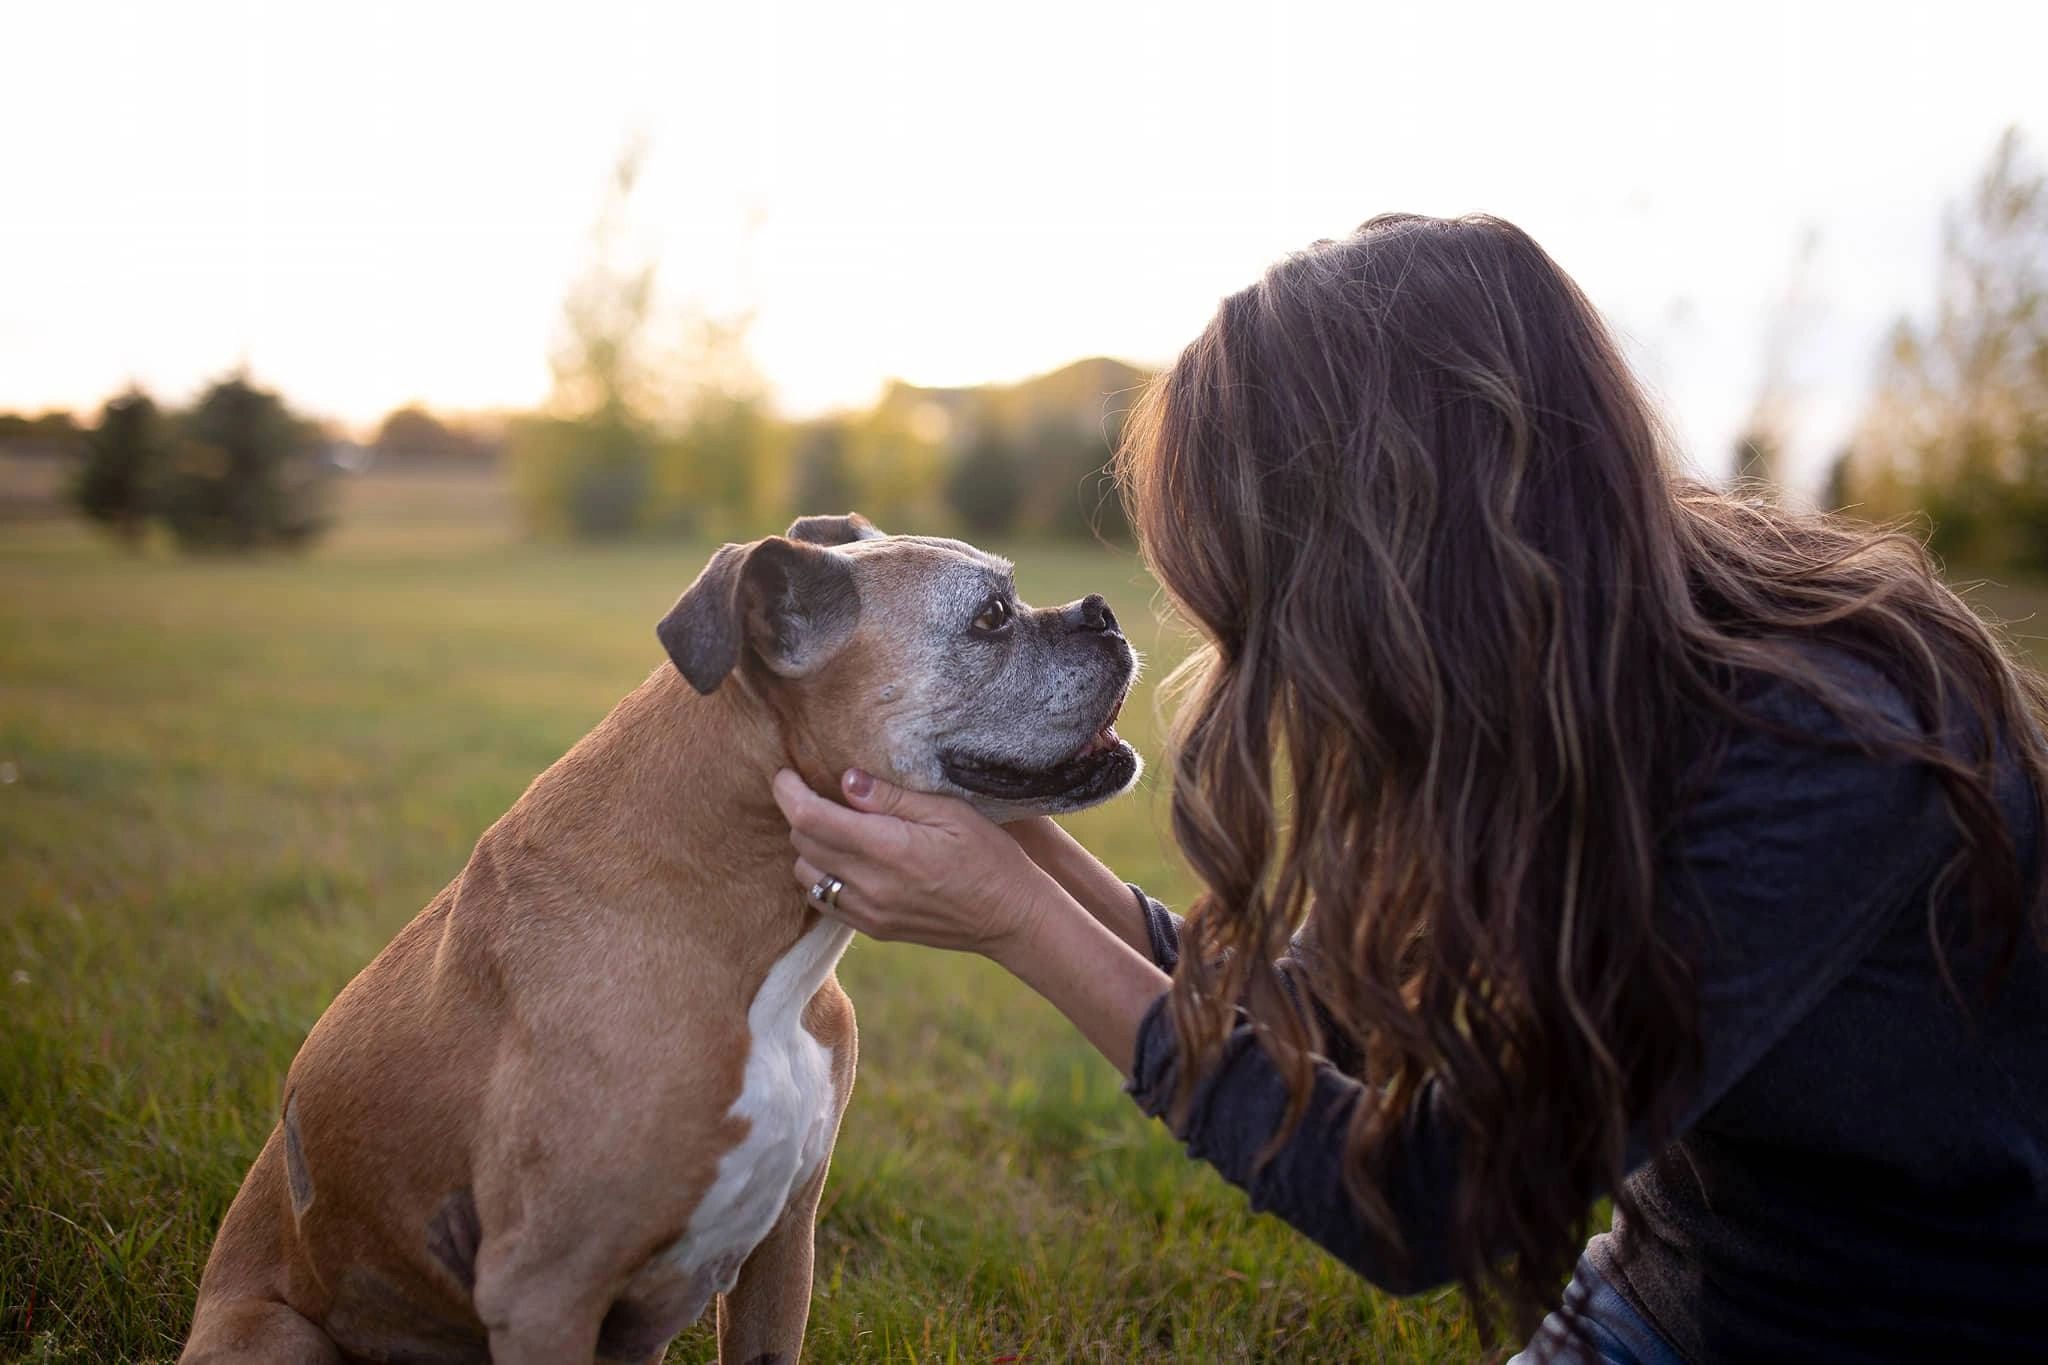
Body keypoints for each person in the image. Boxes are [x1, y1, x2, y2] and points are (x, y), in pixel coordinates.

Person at [769, 214, 2048, 1363]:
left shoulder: (1822, 750)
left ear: (1391, 560)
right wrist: (1026, 850)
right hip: (1671, 1296)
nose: (1259, 667)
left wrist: (1013, 919)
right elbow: (1320, 1018)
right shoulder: (1570, 682)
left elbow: (1433, 1203)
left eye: (1264, 606)